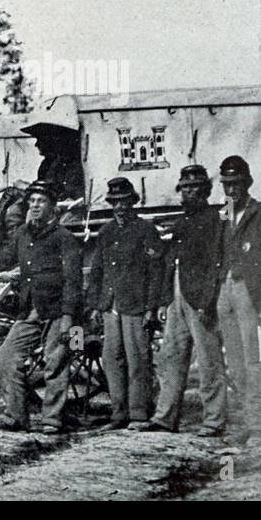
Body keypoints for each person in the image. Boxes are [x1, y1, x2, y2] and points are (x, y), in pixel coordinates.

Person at [0, 179, 83, 434]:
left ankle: (52, 419)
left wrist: (68, 318)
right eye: (31, 201)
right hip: (29, 309)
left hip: (57, 311)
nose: (34, 206)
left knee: (55, 363)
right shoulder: (22, 234)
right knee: (6, 358)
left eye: (40, 202)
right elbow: (2, 259)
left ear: (52, 207)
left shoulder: (64, 238)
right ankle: (15, 416)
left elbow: (73, 281)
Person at [149, 165, 226, 435]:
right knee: (171, 357)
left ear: (205, 190)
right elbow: (171, 263)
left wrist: (207, 302)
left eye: (195, 187)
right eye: (184, 187)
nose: (189, 192)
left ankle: (214, 420)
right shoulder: (182, 222)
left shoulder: (214, 220)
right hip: (177, 297)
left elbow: (217, 265)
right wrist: (164, 301)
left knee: (209, 363)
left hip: (200, 300)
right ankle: (165, 418)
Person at [87, 177, 165, 431]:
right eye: (115, 203)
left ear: (133, 202)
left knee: (138, 359)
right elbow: (97, 270)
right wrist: (97, 305)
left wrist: (152, 307)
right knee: (112, 359)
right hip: (112, 305)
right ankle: (118, 413)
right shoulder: (106, 232)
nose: (120, 207)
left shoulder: (146, 230)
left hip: (135, 305)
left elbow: (156, 271)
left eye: (124, 202)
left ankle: (139, 413)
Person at [215, 155, 261, 448]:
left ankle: (260, 428)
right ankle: (248, 421)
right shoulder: (224, 216)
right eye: (227, 184)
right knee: (237, 364)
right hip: (227, 291)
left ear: (247, 184)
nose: (231, 190)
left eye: (236, 184)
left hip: (252, 295)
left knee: (259, 363)